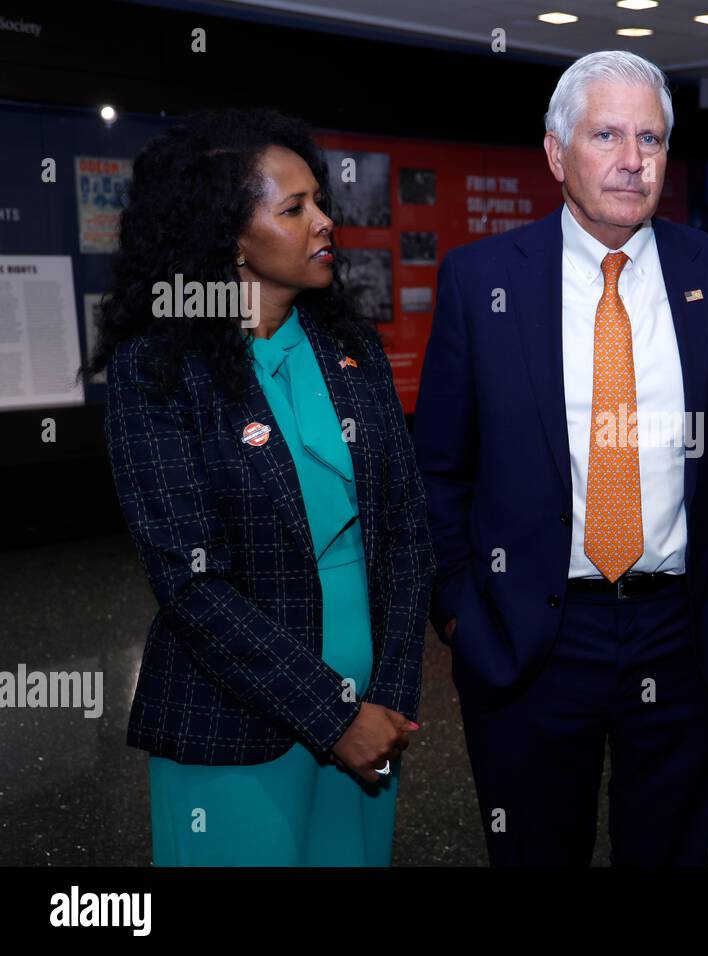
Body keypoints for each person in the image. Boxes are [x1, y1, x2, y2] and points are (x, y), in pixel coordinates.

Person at [415, 50, 708, 866]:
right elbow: (439, 467)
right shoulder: (482, 283)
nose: (632, 160)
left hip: (686, 637)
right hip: (531, 641)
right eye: (608, 135)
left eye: (650, 139)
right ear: (556, 154)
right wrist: (457, 611)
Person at [88, 108, 435, 866]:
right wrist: (332, 718)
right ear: (228, 237)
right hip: (234, 717)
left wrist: (392, 697)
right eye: (294, 209)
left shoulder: (351, 348)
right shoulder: (158, 370)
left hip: (372, 706)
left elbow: (407, 530)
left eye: (320, 201)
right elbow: (191, 586)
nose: (324, 223)